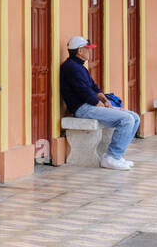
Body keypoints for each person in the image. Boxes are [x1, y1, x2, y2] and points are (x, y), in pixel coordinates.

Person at [60, 35, 140, 169]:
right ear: (80, 51)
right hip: (83, 109)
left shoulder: (80, 67)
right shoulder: (70, 67)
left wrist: (105, 100)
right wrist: (99, 104)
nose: (89, 51)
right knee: (127, 120)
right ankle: (112, 157)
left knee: (135, 118)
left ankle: (117, 156)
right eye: (87, 49)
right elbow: (83, 91)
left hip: (91, 105)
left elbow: (94, 87)